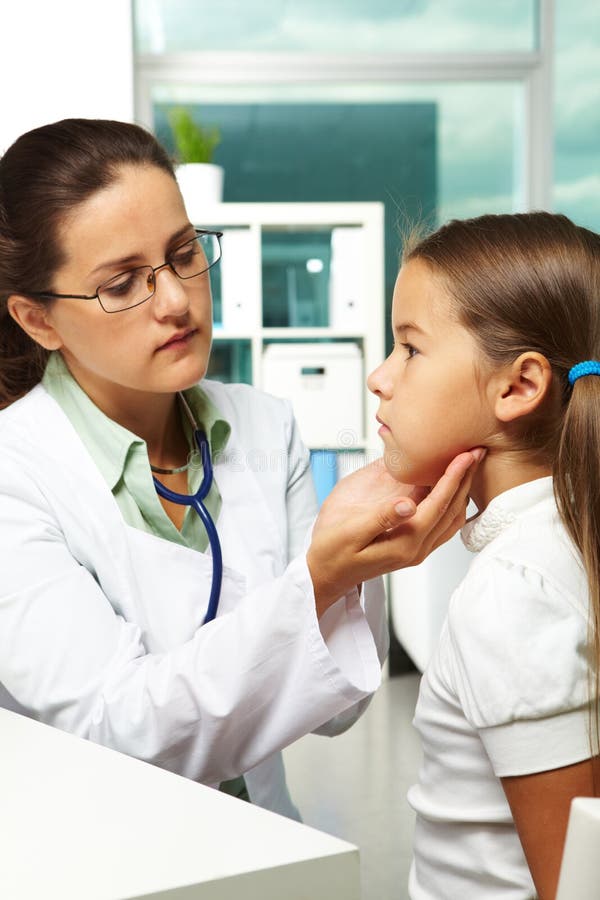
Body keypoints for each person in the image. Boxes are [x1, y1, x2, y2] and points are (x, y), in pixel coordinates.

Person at [0, 118, 481, 820]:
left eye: (184, 253)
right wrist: (317, 579)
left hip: (259, 841)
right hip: (100, 853)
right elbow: (116, 732)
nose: (174, 300)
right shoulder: (16, 473)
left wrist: (356, 565)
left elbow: (335, 711)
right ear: (38, 320)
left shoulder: (264, 425)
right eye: (122, 284)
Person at [368, 211, 600, 899]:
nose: (381, 377)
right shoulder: (560, 538)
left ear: (518, 388)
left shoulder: (515, 592)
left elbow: (574, 883)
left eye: (410, 349)